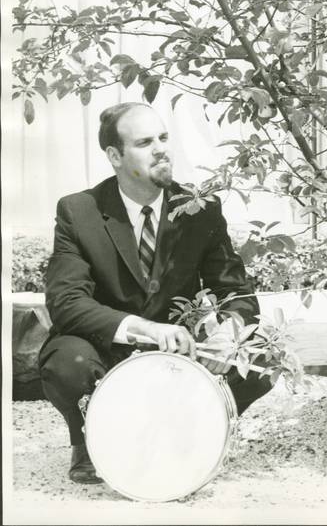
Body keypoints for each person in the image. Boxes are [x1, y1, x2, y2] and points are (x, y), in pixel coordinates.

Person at [39, 103, 274, 484]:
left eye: (164, 137)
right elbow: (66, 303)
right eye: (145, 142)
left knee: (261, 356)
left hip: (179, 355)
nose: (161, 148)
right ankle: (89, 439)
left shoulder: (200, 209)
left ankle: (189, 430)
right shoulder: (78, 211)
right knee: (67, 363)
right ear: (115, 156)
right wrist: (145, 328)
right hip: (106, 348)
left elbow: (237, 294)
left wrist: (227, 335)